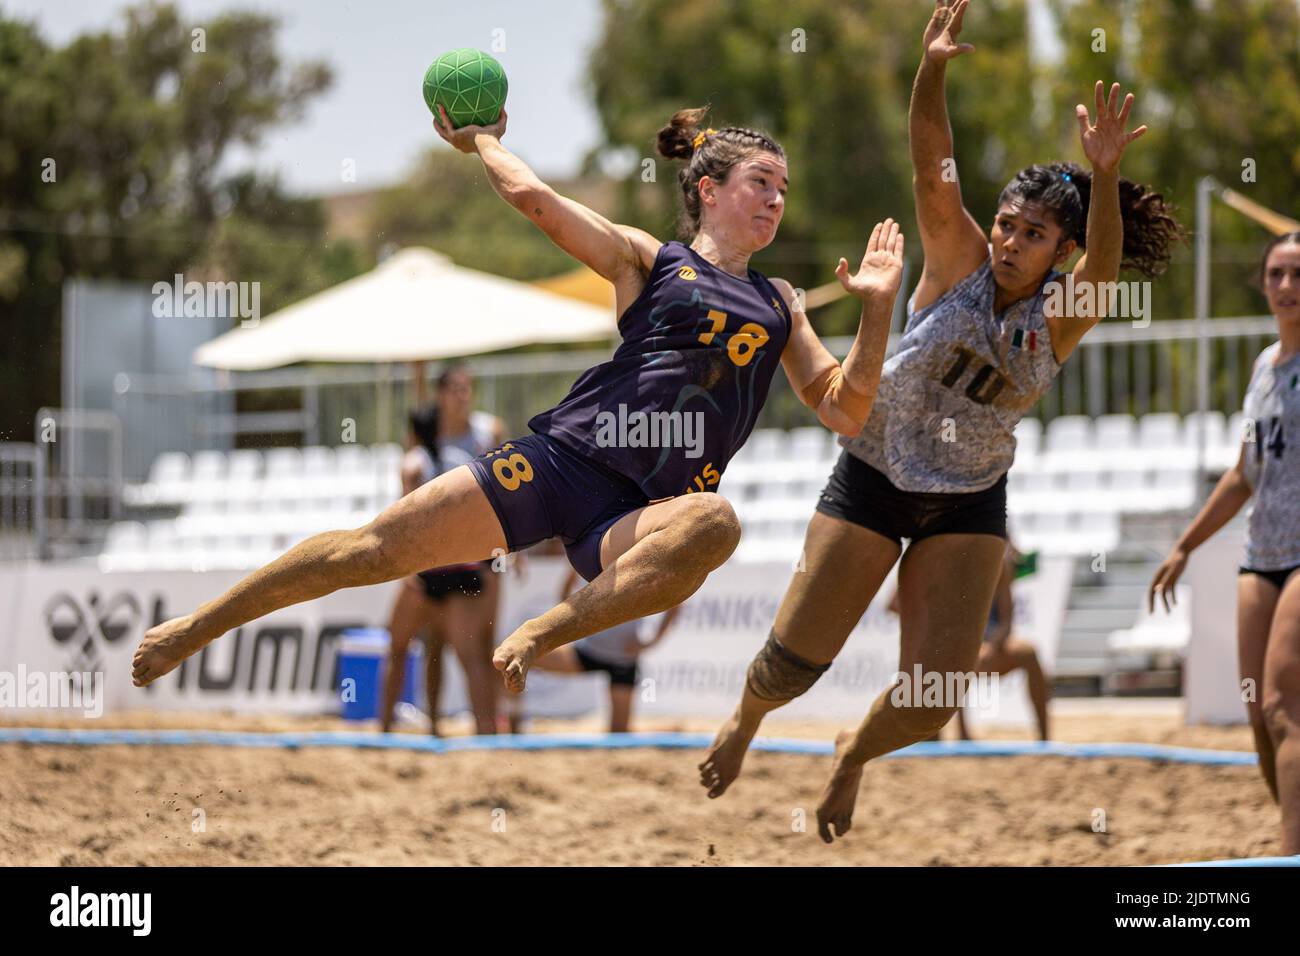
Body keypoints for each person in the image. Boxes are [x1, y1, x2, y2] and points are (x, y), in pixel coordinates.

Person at [132, 103, 907, 712]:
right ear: (709, 190)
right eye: (761, 183)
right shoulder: (652, 259)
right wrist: (482, 142)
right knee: (372, 552)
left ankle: (542, 632)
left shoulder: (779, 303)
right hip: (563, 464)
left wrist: (876, 311)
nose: (776, 199)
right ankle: (199, 627)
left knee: (716, 523)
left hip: (644, 513)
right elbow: (537, 201)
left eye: (783, 188)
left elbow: (844, 411)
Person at [699, 0, 1183, 846]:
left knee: (932, 703)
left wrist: (1103, 176)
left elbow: (1107, 262)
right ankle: (745, 719)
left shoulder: (1063, 309)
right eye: (1006, 222)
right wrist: (933, 66)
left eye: (1032, 234)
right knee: (791, 662)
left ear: (1059, 252)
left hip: (968, 498)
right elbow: (933, 167)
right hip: (876, 472)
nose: (1009, 241)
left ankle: (851, 754)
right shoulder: (958, 259)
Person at [1149, 231, 1300, 855]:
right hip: (1258, 555)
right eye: (1276, 274)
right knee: (1261, 722)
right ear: (1262, 283)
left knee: (1283, 706)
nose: (1287, 285)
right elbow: (1243, 473)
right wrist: (1185, 545)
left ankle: (1291, 855)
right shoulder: (1264, 367)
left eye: (1298, 273)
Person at [379, 363, 503, 735]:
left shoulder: (486, 432)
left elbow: (505, 491)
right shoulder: (424, 440)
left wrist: (506, 552)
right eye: (455, 388)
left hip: (470, 563)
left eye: (467, 388)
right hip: (428, 564)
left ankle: (488, 736)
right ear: (441, 393)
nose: (462, 395)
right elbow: (405, 502)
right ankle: (388, 732)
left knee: (473, 653)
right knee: (405, 643)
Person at [528, 567, 681, 733]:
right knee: (523, 658)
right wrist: (568, 625)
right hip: (589, 649)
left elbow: (677, 599)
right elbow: (566, 586)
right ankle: (513, 719)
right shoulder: (587, 552)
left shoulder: (642, 559)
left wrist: (652, 641)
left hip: (622, 659)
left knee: (619, 731)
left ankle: (664, 728)